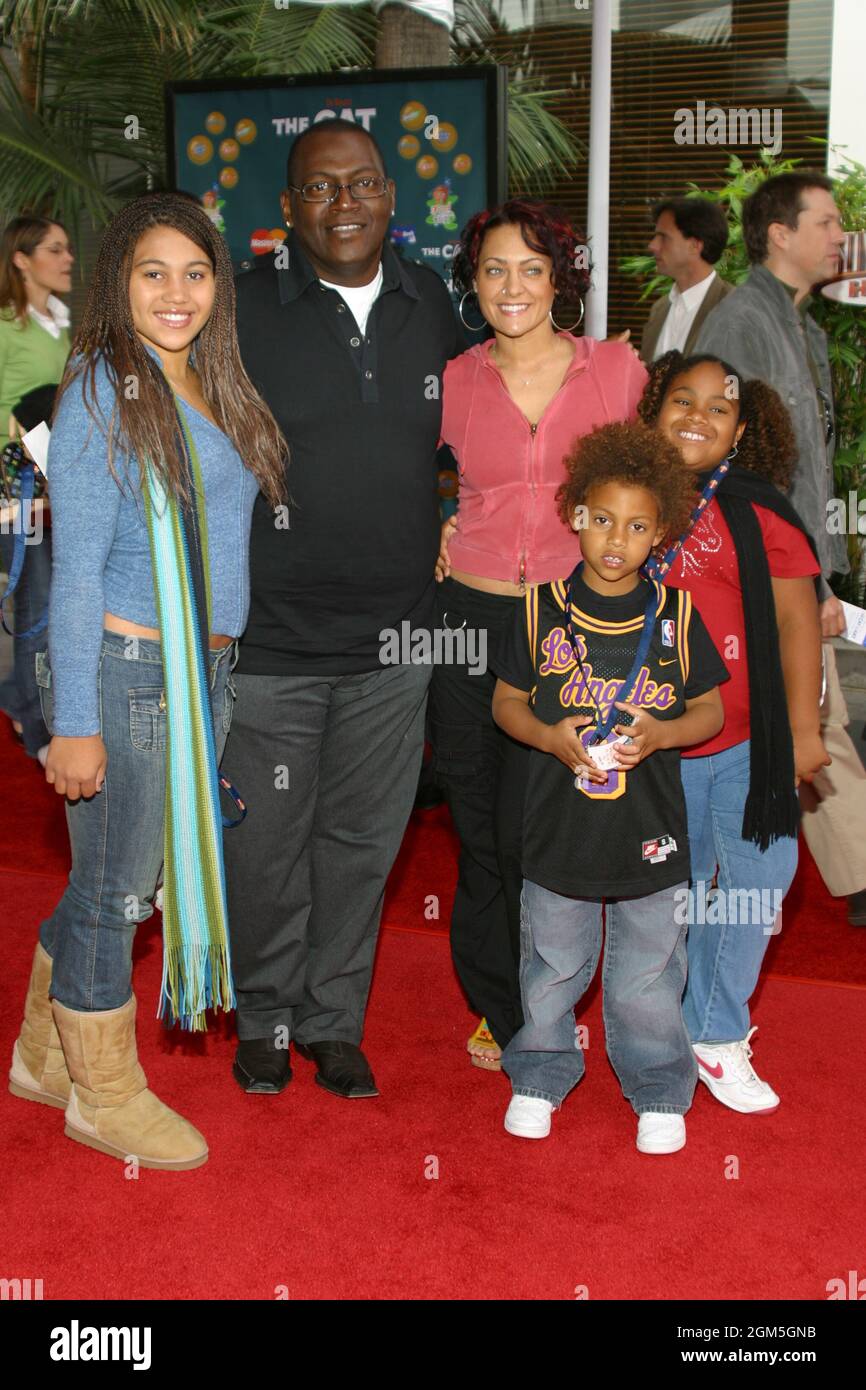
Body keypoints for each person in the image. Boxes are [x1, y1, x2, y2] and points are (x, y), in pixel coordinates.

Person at [7, 192, 287, 1170]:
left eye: (195, 272)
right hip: (130, 674)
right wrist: (71, 724)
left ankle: (44, 1058)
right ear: (117, 282)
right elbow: (75, 569)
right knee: (118, 893)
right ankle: (103, 1093)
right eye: (152, 273)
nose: (176, 293)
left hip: (199, 670)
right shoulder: (101, 391)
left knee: (106, 880)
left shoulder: (207, 378)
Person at [222, 122, 462, 1100]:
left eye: (361, 183)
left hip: (396, 642)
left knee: (362, 845)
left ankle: (331, 1021)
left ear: (389, 198)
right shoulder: (236, 311)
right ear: (286, 210)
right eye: (319, 189)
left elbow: (474, 443)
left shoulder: (431, 303)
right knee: (268, 845)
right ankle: (264, 1016)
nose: (344, 202)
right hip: (269, 640)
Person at [433, 199, 647, 1070]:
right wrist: (431, 527)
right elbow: (391, 473)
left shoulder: (617, 371)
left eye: (531, 267)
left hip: (572, 626)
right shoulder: (450, 378)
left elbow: (654, 487)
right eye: (493, 269)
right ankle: (502, 1008)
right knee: (479, 827)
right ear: (473, 283)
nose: (512, 285)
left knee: (547, 830)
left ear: (562, 276)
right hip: (467, 625)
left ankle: (552, 997)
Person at [491, 421, 727, 1151]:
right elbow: (505, 704)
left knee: (648, 972)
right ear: (575, 516)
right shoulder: (534, 611)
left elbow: (710, 710)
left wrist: (660, 733)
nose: (616, 540)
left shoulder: (678, 617)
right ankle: (538, 1074)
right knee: (553, 964)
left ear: (661, 533)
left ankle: (659, 1088)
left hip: (650, 831)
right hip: (559, 827)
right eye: (602, 521)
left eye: (636, 526)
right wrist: (551, 738)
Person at [639, 351, 825, 1110]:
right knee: (667, 897)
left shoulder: (762, 511)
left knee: (754, 887)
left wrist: (806, 731)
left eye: (720, 408)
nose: (698, 416)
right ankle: (654, 1036)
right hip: (655, 749)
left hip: (754, 747)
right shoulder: (621, 496)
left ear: (741, 430)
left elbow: (795, 622)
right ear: (653, 411)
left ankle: (716, 1034)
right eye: (682, 400)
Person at [693, 170, 866, 926]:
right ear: (779, 235)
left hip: (793, 560)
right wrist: (808, 581)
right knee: (809, 717)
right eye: (827, 222)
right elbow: (735, 462)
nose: (840, 237)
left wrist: (825, 572)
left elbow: (809, 465)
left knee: (813, 719)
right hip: (758, 564)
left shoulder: (803, 325)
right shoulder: (742, 324)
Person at [0, 217, 73, 764]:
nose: (68, 257)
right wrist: (21, 434)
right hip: (13, 492)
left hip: (49, 487)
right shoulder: (5, 324)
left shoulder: (58, 322)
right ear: (21, 259)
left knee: (46, 598)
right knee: (38, 599)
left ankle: (19, 701)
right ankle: (34, 721)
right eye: (55, 249)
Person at [640, 197, 732, 363]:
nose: (652, 245)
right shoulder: (658, 310)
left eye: (663, 237)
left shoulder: (735, 308)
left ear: (695, 246)